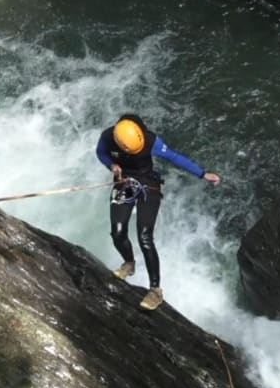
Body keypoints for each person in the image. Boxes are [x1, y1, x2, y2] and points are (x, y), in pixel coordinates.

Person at [95, 114, 221, 310]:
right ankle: (129, 263)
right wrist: (111, 165)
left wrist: (203, 174)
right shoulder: (109, 137)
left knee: (145, 236)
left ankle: (155, 290)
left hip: (148, 183)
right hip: (124, 182)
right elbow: (101, 152)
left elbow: (175, 157)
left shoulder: (150, 140)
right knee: (118, 232)